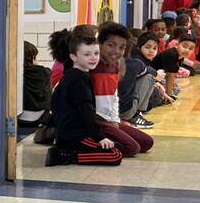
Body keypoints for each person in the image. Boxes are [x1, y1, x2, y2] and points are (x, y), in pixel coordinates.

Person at [47, 30, 122, 166]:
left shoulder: (77, 74)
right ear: (74, 57)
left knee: (117, 147)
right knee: (115, 155)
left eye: (96, 53)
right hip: (74, 135)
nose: (93, 58)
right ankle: (66, 155)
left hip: (73, 131)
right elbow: (86, 110)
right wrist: (99, 137)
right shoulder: (77, 79)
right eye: (87, 54)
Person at [92, 22, 153, 154]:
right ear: (100, 44)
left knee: (147, 142)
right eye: (110, 45)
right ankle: (84, 144)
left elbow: (114, 97)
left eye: (121, 47)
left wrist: (115, 120)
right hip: (93, 121)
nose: (116, 51)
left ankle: (108, 137)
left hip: (108, 120)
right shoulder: (92, 65)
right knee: (132, 148)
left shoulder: (115, 66)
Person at [120, 31, 164, 125]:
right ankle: (135, 115)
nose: (151, 50)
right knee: (150, 79)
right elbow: (148, 72)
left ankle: (136, 114)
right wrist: (156, 75)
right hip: (124, 110)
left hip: (118, 108)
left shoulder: (134, 60)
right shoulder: (136, 61)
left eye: (154, 48)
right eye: (147, 47)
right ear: (138, 47)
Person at [20, 40, 51, 125]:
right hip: (41, 119)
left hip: (19, 120)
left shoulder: (15, 76)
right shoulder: (46, 73)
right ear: (32, 58)